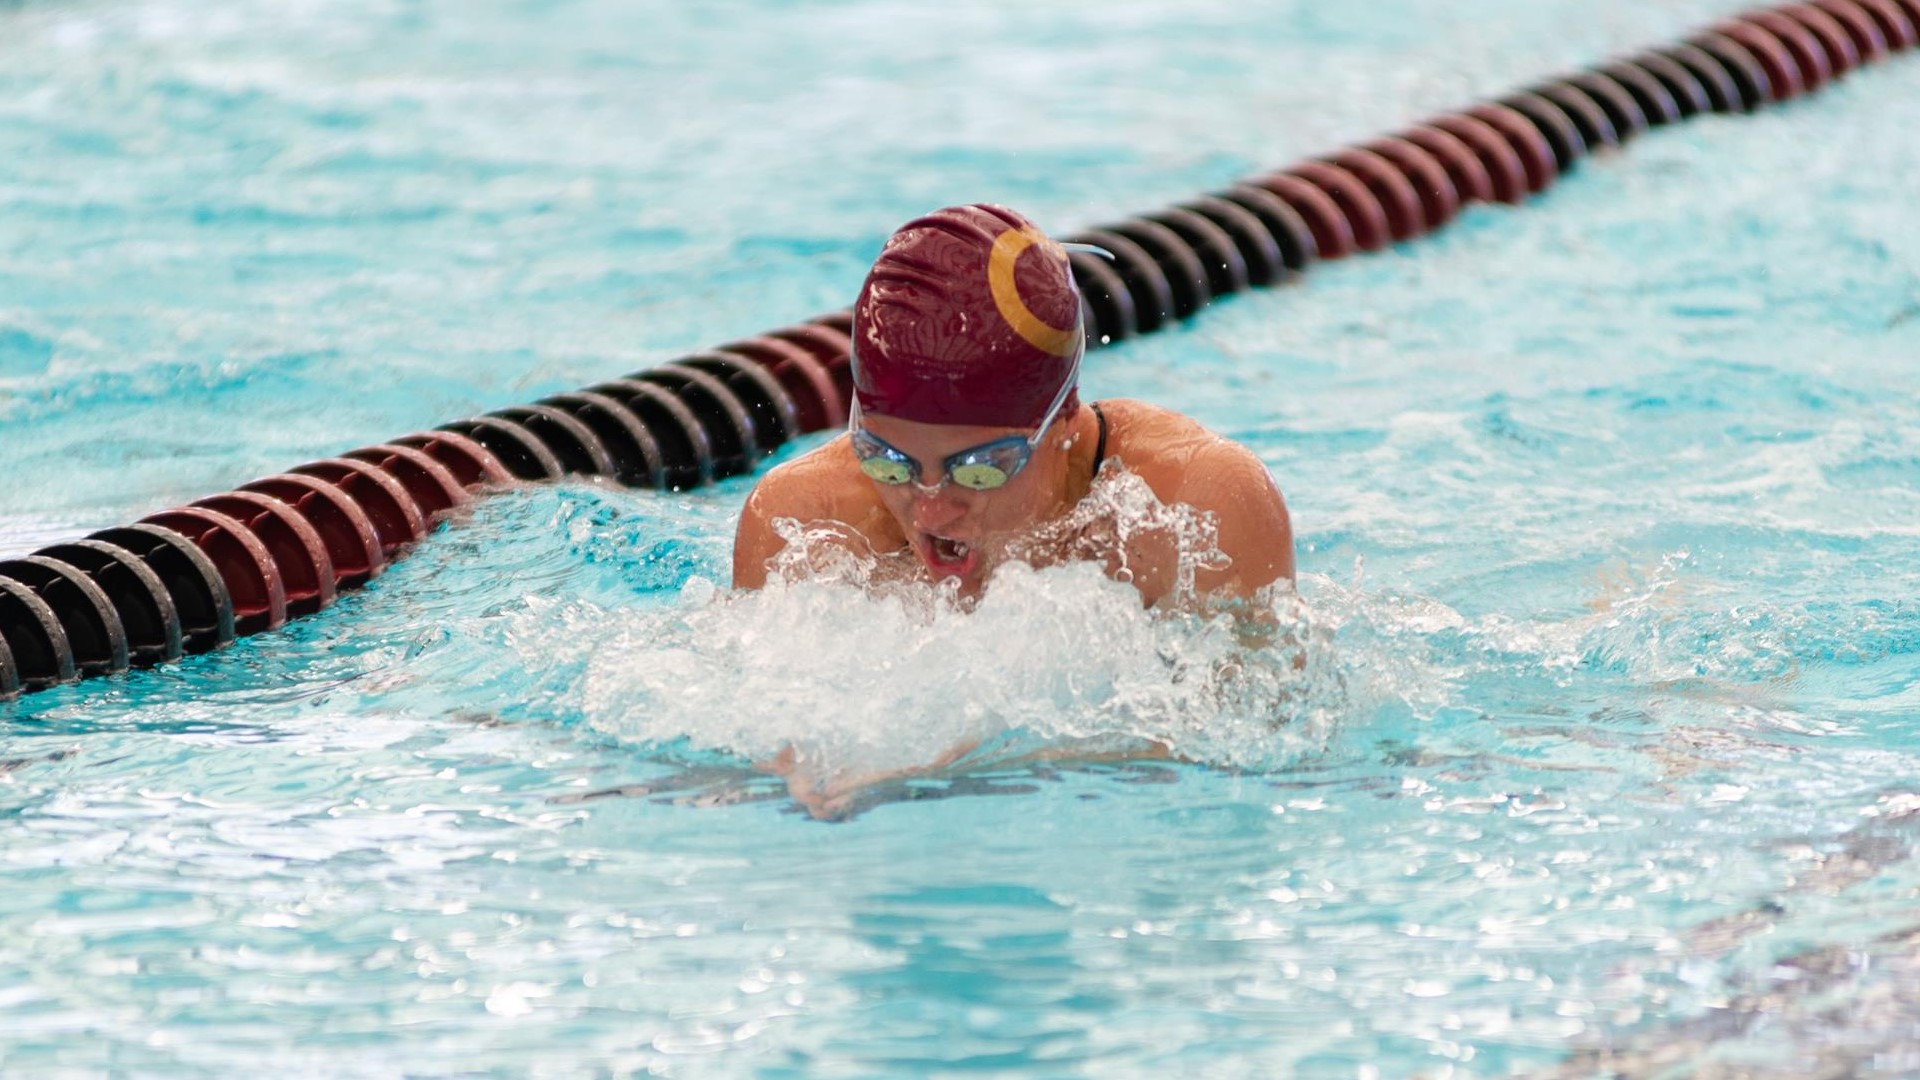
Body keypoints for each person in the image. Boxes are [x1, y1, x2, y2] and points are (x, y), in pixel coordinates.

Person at [732, 203, 1295, 608]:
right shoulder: (805, 527)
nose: (929, 512)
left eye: (977, 469)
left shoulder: (1193, 512)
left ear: (1062, 423)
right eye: (887, 462)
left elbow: (1271, 746)